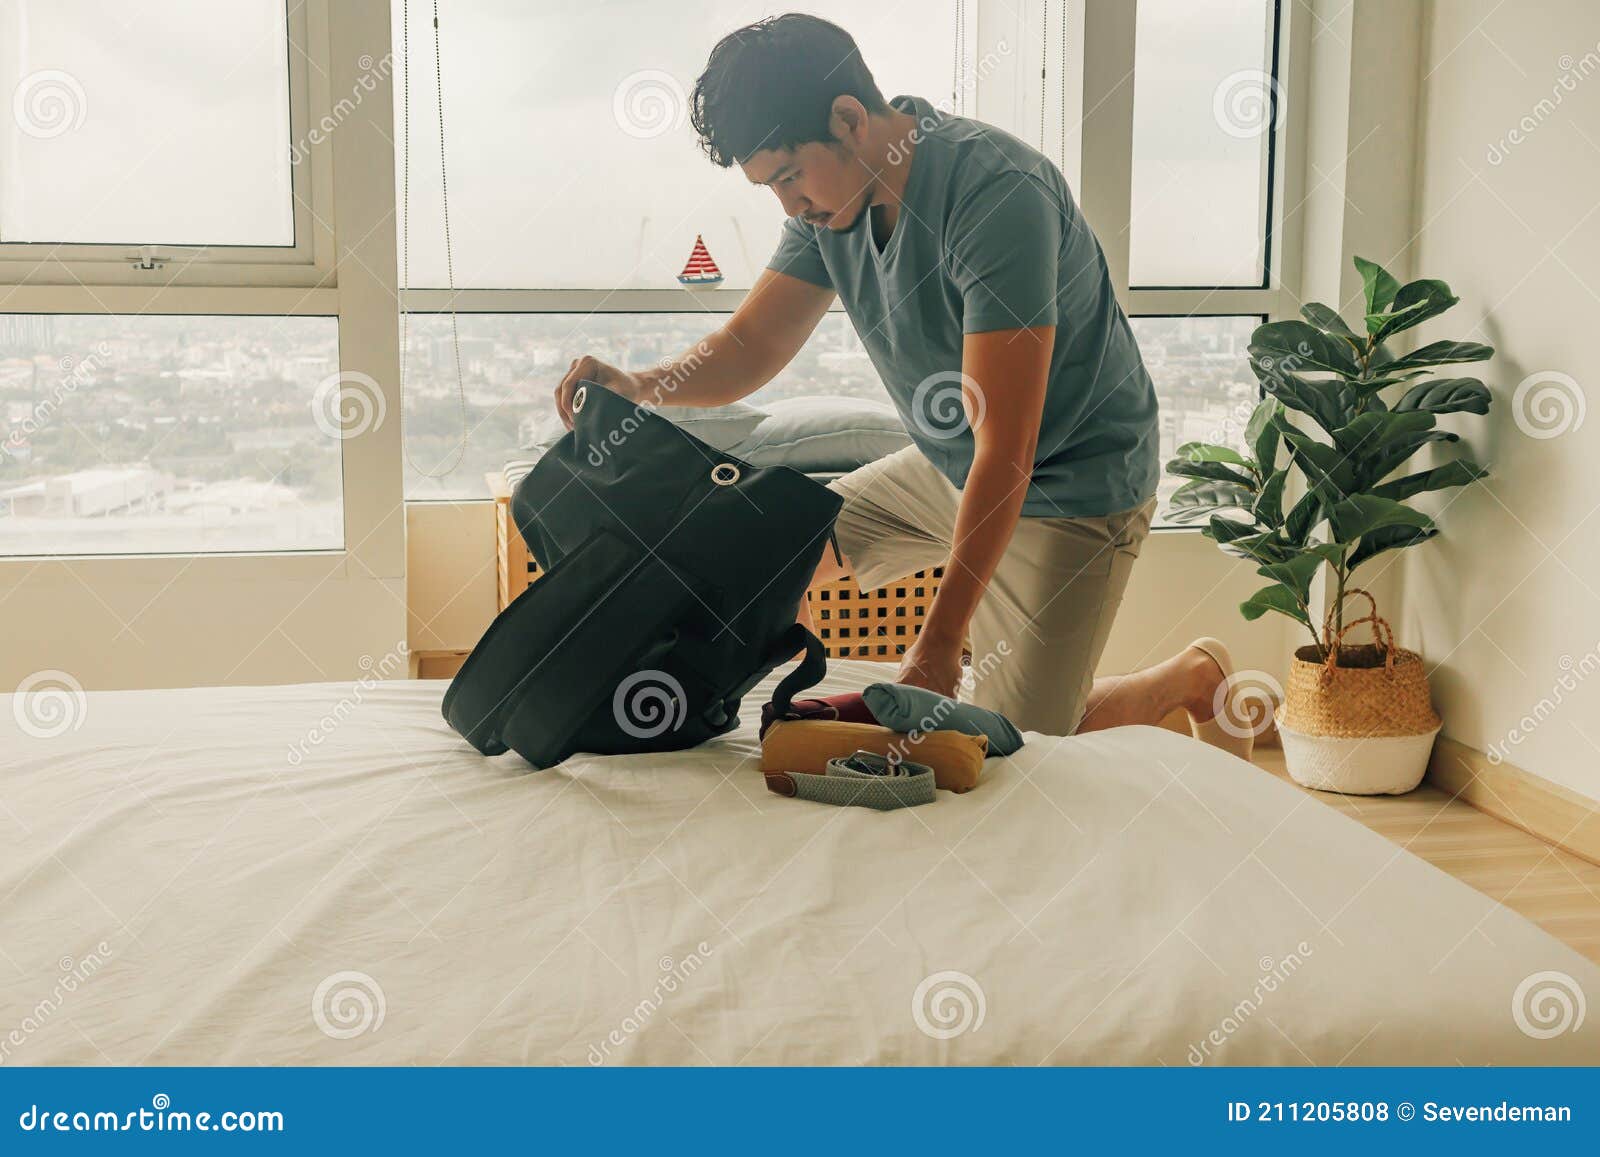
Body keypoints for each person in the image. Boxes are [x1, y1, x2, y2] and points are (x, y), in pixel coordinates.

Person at [556, 14, 1251, 754]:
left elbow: (1008, 449)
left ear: (850, 120)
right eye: (769, 186)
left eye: (789, 175)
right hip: (956, 463)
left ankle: (1184, 679)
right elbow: (753, 344)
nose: (787, 204)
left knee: (1003, 745)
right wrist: (639, 385)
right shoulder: (831, 208)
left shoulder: (995, 195)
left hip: (1071, 482)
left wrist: (940, 640)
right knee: (762, 545)